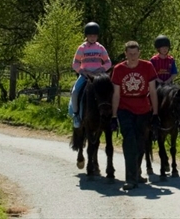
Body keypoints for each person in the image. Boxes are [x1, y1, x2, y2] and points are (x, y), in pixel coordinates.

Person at [111, 40, 159, 190]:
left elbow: (152, 91)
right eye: (129, 54)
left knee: (140, 143)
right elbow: (116, 94)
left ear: (139, 53)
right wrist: (113, 116)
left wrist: (156, 113)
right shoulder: (118, 69)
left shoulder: (147, 67)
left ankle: (137, 172)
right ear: (125, 54)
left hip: (143, 109)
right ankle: (130, 179)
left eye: (135, 53)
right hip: (125, 109)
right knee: (129, 141)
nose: (132, 56)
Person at [68, 22, 111, 128]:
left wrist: (102, 69)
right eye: (90, 36)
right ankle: (76, 115)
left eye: (94, 36)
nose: (92, 38)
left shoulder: (101, 48)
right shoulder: (81, 48)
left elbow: (108, 62)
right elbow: (75, 63)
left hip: (98, 76)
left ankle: (113, 116)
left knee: (110, 91)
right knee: (75, 91)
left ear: (97, 36)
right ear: (86, 36)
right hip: (85, 75)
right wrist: (82, 71)